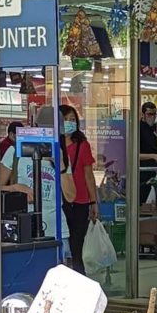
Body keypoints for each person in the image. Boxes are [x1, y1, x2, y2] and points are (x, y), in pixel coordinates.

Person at [59, 106, 99, 276]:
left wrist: (93, 201)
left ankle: (79, 278)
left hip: (80, 201)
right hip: (58, 201)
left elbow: (89, 176)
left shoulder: (82, 145)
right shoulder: (52, 144)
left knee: (76, 244)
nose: (70, 123)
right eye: (66, 119)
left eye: (73, 119)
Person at [139, 100, 157, 197]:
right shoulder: (138, 129)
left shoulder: (153, 128)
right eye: (150, 114)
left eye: (154, 114)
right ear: (143, 114)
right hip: (142, 172)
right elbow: (134, 155)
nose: (152, 117)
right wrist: (153, 156)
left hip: (153, 171)